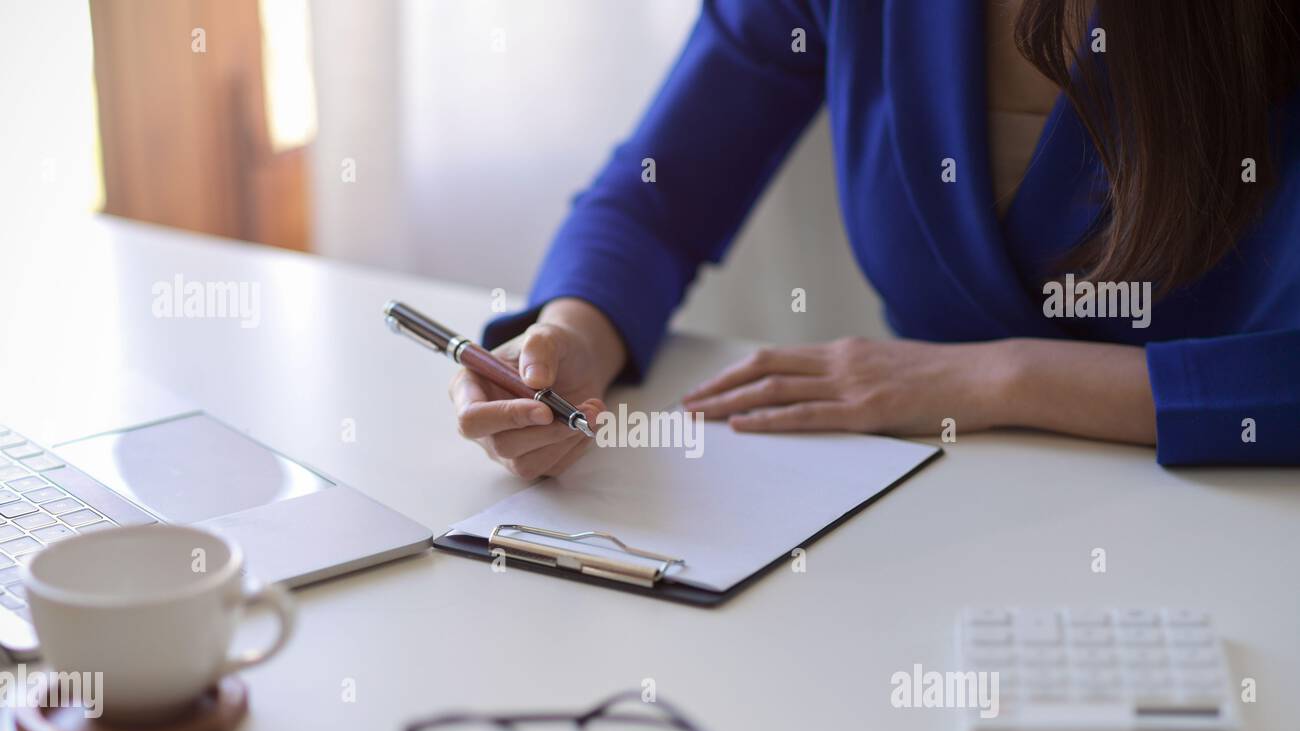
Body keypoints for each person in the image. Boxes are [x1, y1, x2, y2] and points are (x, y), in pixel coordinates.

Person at [450, 0, 1300, 476]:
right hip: (934, 520)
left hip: (1244, 522)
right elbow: (653, 200)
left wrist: (1005, 378)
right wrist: (570, 339)